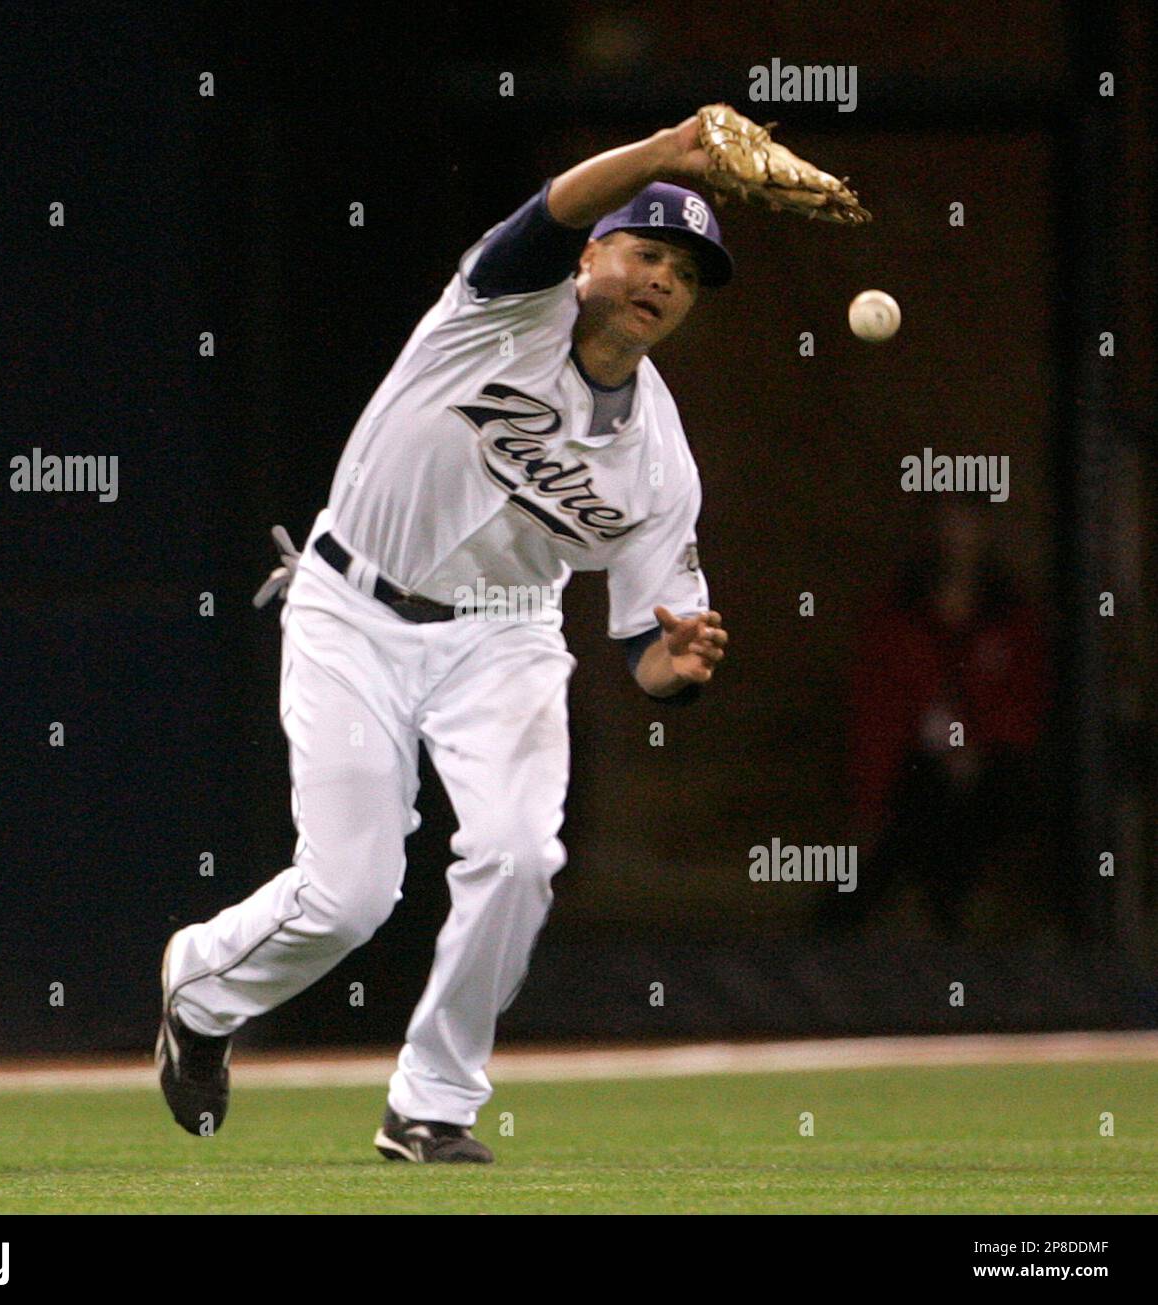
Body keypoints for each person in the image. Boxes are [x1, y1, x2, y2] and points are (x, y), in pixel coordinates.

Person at [157, 116, 731, 1162]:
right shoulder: (499, 309)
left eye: (686, 274)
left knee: (519, 857)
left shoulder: (659, 460)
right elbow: (552, 205)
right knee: (349, 897)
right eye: (646, 249)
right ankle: (202, 992)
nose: (662, 279)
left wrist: (674, 667)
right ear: (594, 254)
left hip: (505, 639)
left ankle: (433, 1104)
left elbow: (645, 649)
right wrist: (662, 153)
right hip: (351, 608)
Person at [826, 494, 1050, 940]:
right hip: (916, 778)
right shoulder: (897, 618)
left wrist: (977, 748)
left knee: (986, 806)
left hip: (994, 773)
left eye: (968, 526)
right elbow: (878, 713)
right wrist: (869, 804)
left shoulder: (1010, 617)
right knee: (916, 813)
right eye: (949, 526)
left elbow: (1025, 702)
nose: (958, 540)